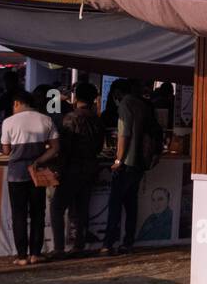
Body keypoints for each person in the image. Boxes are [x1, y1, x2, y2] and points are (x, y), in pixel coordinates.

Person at [101, 79, 161, 255]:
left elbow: (124, 134)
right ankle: (128, 242)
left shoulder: (125, 105)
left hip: (127, 161)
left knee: (115, 204)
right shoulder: (143, 104)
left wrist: (118, 160)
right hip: (140, 162)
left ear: (117, 93)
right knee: (131, 204)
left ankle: (108, 243)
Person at [0, 90, 59, 266]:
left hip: (16, 174)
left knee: (19, 214)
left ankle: (21, 256)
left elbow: (6, 151)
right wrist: (38, 160)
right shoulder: (46, 119)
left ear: (17, 103)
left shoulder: (8, 122)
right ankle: (35, 254)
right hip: (37, 173)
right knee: (38, 213)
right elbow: (55, 148)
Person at [51, 81, 104, 258]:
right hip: (90, 167)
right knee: (82, 209)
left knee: (57, 207)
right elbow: (99, 147)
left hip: (71, 168)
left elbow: (64, 148)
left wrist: (59, 170)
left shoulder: (70, 118)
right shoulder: (97, 120)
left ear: (76, 97)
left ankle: (59, 248)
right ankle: (79, 245)